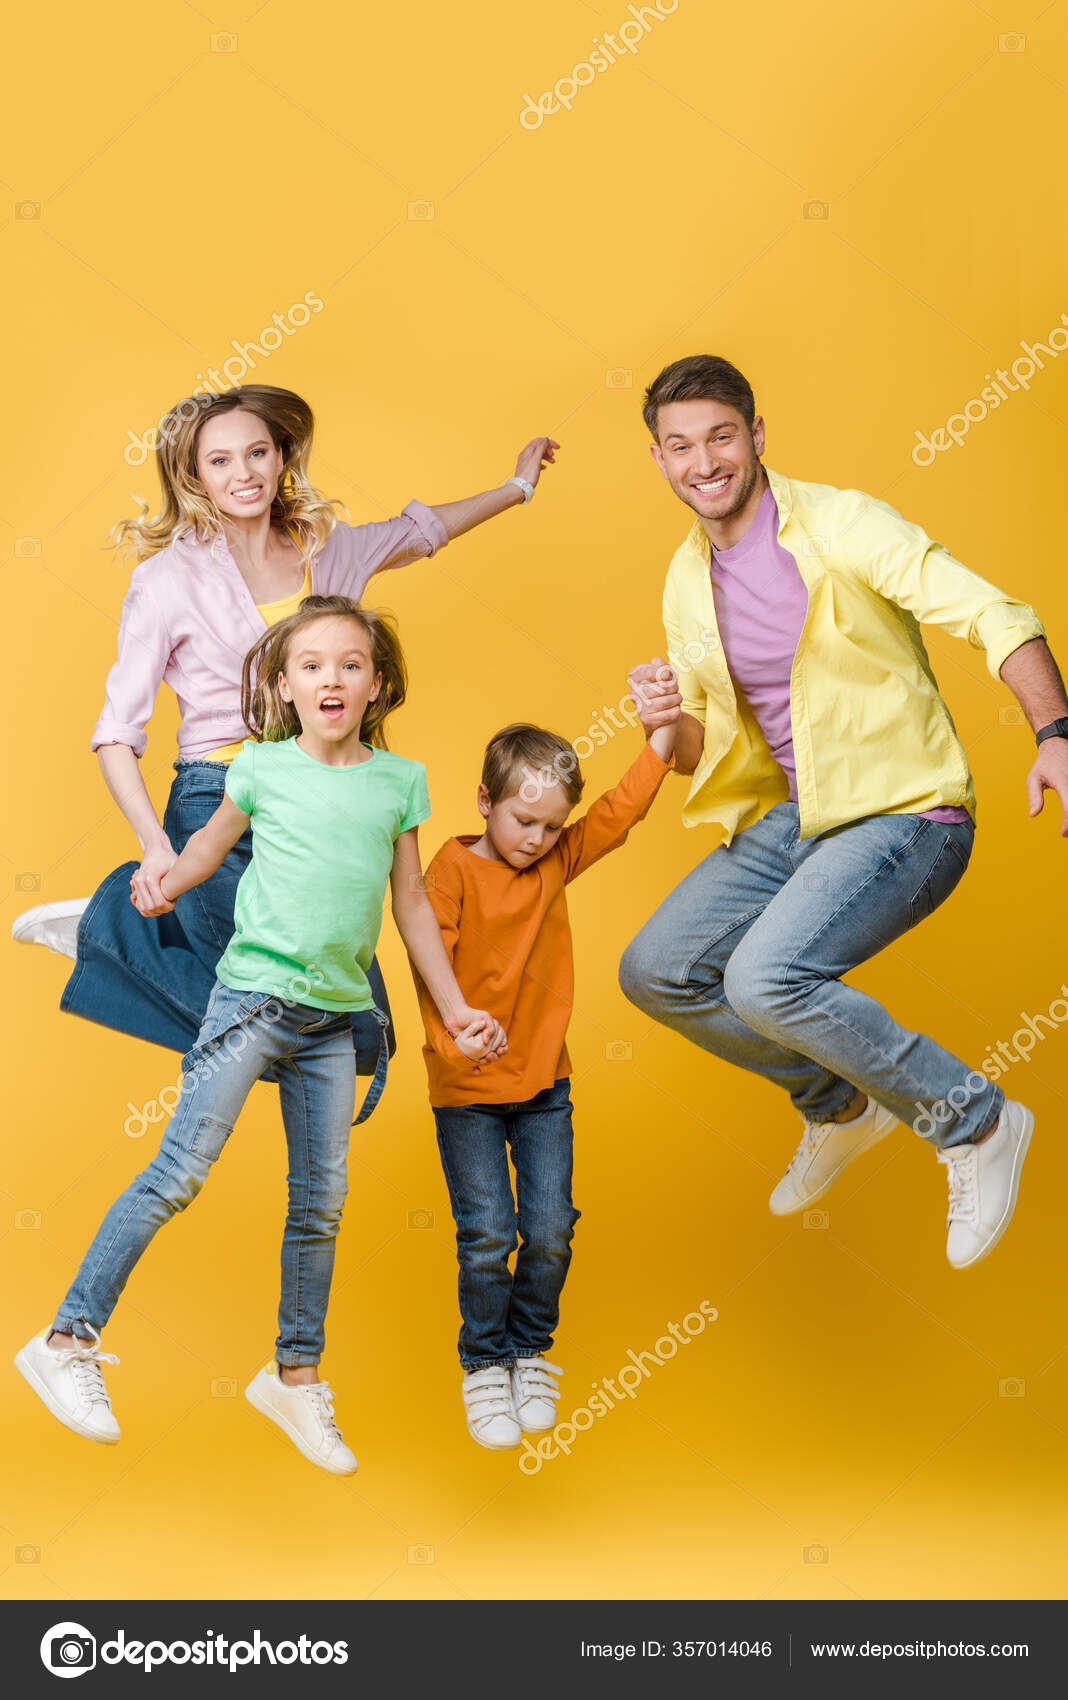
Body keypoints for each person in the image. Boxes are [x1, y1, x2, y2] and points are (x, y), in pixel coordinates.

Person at [14, 596, 507, 1475]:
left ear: (376, 685)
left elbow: (412, 909)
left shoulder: (400, 784)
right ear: (284, 685)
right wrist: (159, 882)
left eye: (350, 665)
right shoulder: (260, 770)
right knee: (177, 1173)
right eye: (312, 665)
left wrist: (457, 1007)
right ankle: (65, 1340)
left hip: (332, 1021)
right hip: (249, 1003)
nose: (332, 678)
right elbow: (205, 851)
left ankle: (293, 1376)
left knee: (319, 1205)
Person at [620, 353, 1068, 1269]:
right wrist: (669, 729)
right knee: (655, 970)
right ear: (660, 462)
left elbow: (995, 611)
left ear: (755, 437)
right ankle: (840, 1106)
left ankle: (974, 1123)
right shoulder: (683, 577)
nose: (703, 461)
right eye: (679, 446)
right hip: (798, 816)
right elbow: (711, 747)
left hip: (906, 812)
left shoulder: (841, 522)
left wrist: (1055, 731)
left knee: (762, 978)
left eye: (719, 437)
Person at [13, 383, 554, 1101]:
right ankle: (114, 920)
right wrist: (155, 846)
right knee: (277, 1018)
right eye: (221, 460)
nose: (244, 474)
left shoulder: (326, 552)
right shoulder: (166, 580)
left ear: (281, 459)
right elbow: (116, 732)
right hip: (221, 796)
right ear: (193, 477)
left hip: (321, 793)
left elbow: (423, 532)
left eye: (258, 452)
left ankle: (116, 938)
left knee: (359, 1036)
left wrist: (518, 485)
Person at [410, 700, 677, 1449]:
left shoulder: (558, 859)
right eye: (524, 821)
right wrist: (450, 1040)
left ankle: (530, 1350)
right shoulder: (451, 869)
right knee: (488, 1235)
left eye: (553, 826)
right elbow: (426, 968)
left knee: (552, 1231)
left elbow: (620, 813)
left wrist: (660, 733)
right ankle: (484, 1362)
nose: (538, 839)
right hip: (466, 1092)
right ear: (486, 803)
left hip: (543, 1087)